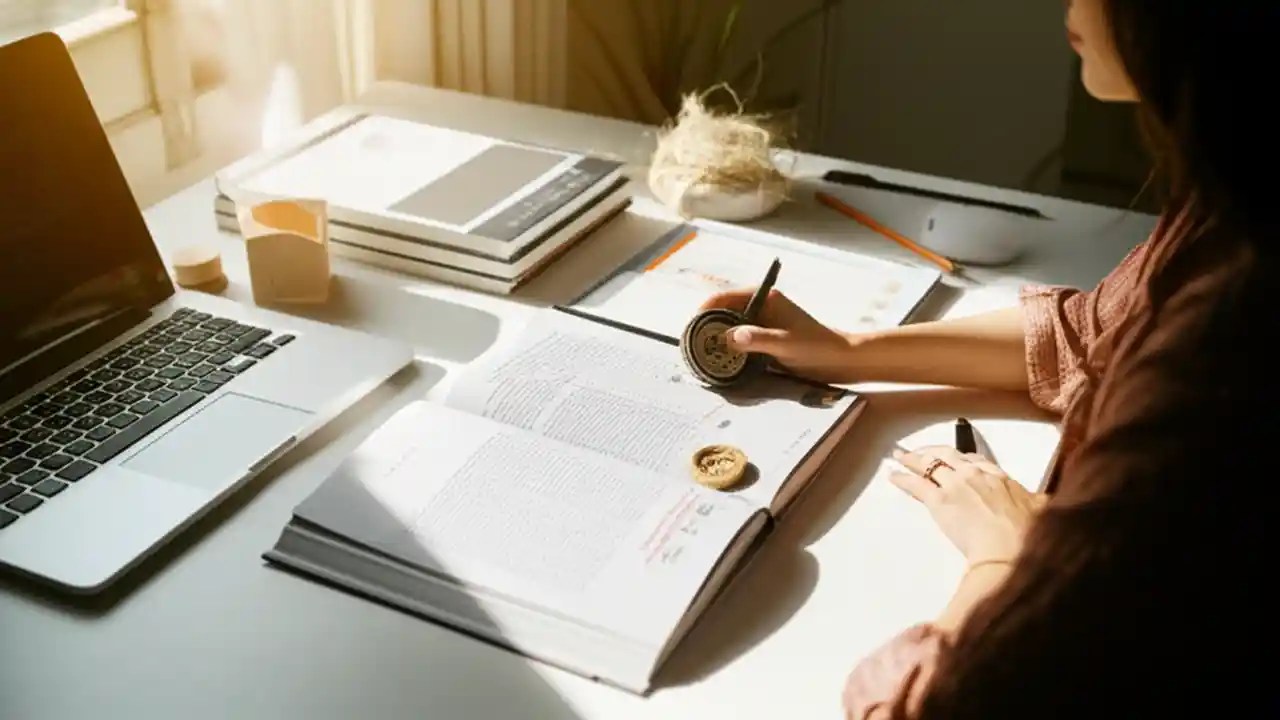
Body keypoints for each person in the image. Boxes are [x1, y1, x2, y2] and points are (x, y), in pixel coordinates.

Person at [700, 1, 1274, 716]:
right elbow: (1084, 334)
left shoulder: (1231, 335)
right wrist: (848, 351)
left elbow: (931, 705)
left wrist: (1006, 556)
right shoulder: (1225, 207)